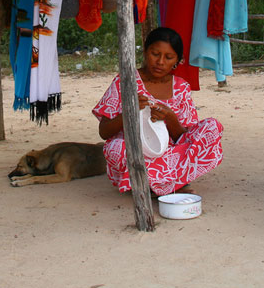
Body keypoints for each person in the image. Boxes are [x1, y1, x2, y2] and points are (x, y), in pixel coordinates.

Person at [92, 27, 224, 196]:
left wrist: (170, 118)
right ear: (145, 52)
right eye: (155, 54)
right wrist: (129, 112)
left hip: (170, 155)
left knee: (212, 127)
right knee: (115, 148)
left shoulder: (181, 87)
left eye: (168, 57)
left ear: (177, 61)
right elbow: (104, 132)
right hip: (136, 151)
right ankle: (169, 182)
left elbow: (184, 137)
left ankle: (156, 182)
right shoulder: (125, 82)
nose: (160, 62)